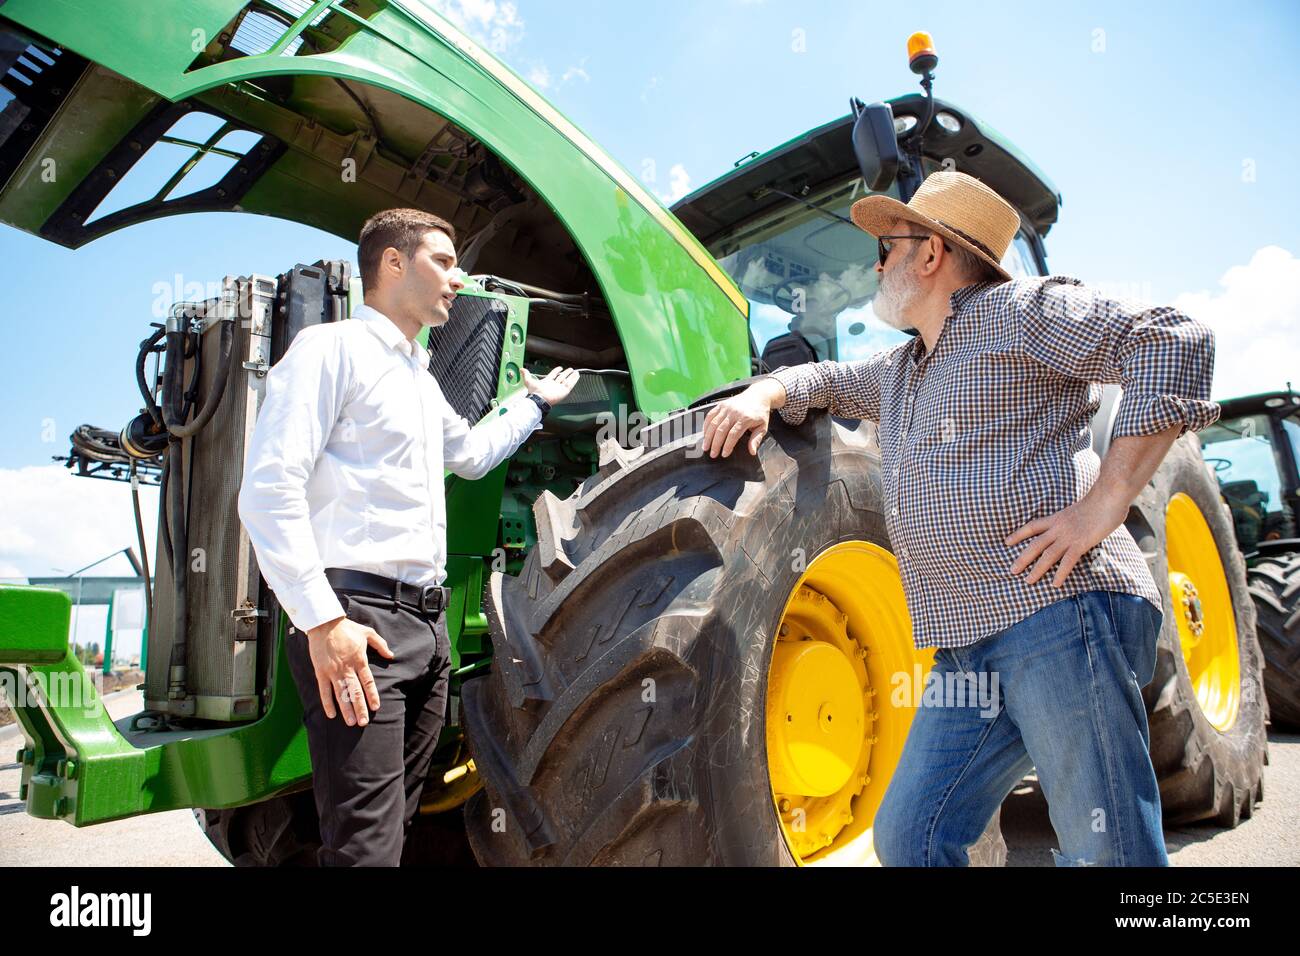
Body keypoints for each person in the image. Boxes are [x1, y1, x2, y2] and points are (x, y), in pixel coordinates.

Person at [699, 171, 1218, 866]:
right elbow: (824, 380)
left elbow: (1175, 339)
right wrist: (767, 390)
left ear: (933, 253)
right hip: (968, 644)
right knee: (911, 836)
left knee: (1107, 847)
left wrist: (1105, 505)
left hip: (1059, 613)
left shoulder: (1019, 311)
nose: (875, 264)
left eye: (886, 247)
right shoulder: (903, 367)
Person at [238, 207, 579, 865]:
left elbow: (474, 455)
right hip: (358, 623)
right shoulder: (330, 350)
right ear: (393, 263)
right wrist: (322, 623)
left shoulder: (419, 382)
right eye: (444, 262)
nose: (458, 279)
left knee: (394, 833)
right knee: (366, 846)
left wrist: (531, 404)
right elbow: (268, 490)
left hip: (427, 634)